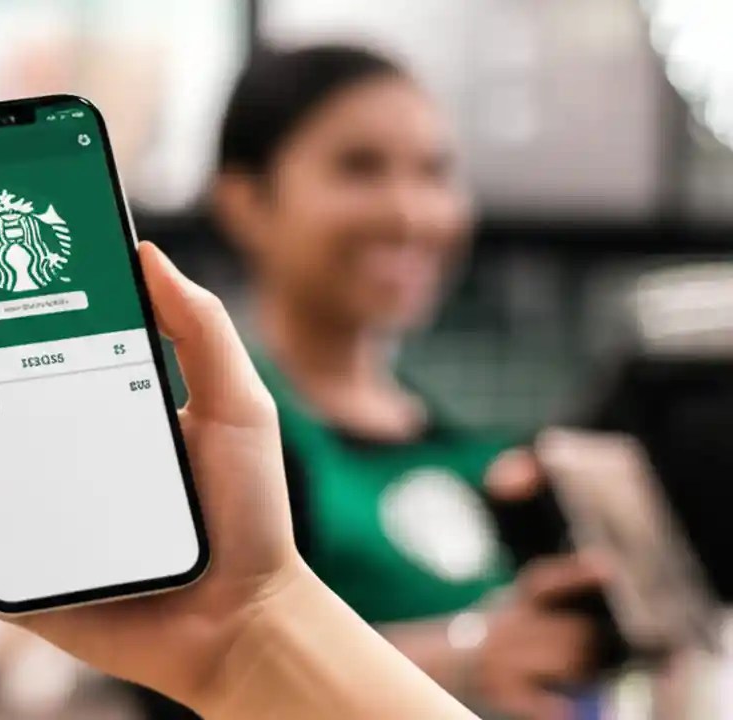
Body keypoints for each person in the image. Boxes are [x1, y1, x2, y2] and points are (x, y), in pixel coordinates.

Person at [0, 234, 483, 718]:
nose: (407, 212)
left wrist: (248, 631)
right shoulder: (274, 436)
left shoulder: (463, 443)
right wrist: (245, 633)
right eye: (359, 167)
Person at [181, 45, 601, 717]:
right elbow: (185, 680)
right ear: (246, 201)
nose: (411, 213)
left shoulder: (475, 449)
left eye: (435, 172)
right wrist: (469, 659)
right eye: (359, 168)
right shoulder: (218, 436)